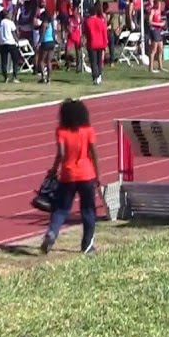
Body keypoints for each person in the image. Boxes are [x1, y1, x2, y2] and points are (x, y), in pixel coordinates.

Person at [40, 99, 101, 255]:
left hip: (68, 174)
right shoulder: (88, 130)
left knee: (60, 209)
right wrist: (97, 174)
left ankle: (52, 232)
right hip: (87, 174)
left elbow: (60, 154)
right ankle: (87, 245)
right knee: (88, 210)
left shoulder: (61, 131)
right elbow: (93, 153)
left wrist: (54, 170)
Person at [84, 2, 108, 85]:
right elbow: (104, 32)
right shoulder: (100, 21)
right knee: (99, 61)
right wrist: (105, 44)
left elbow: (86, 33)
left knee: (93, 61)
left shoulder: (87, 21)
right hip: (100, 43)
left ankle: (96, 76)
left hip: (92, 43)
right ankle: (99, 75)